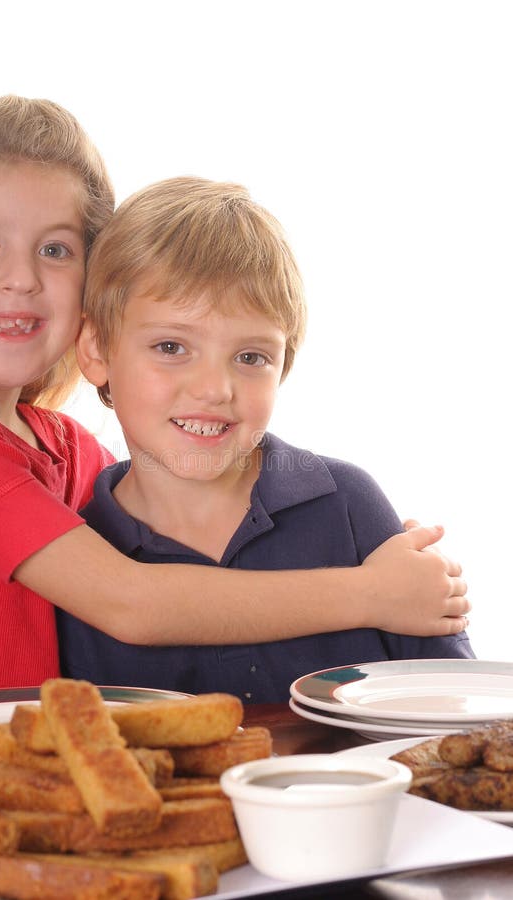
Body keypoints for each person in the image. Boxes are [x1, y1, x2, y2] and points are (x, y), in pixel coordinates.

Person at [0, 97, 469, 701]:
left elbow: (156, 487)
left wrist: (396, 556)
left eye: (54, 250)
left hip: (45, 781)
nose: (20, 277)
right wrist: (376, 591)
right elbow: (130, 602)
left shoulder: (72, 454)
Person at [57, 177, 474, 703]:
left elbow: (462, 719)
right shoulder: (81, 556)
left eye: (251, 357)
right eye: (171, 346)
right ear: (95, 349)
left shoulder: (346, 503)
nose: (215, 389)